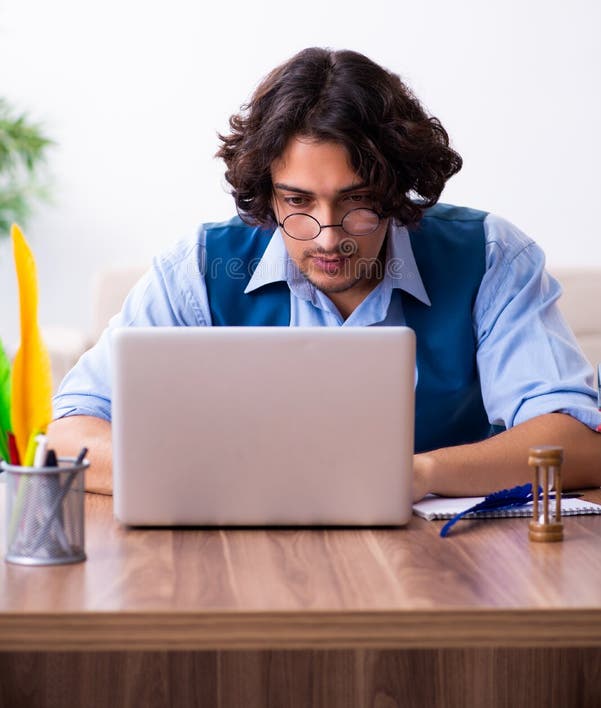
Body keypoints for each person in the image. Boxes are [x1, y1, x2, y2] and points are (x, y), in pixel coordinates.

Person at [48, 47, 601, 496]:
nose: (329, 236)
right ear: (267, 193)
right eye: (297, 201)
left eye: (357, 200)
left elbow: (578, 441)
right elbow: (69, 433)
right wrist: (218, 476)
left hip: (445, 562)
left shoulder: (491, 256)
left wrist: (417, 474)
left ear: (396, 188)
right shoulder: (197, 267)